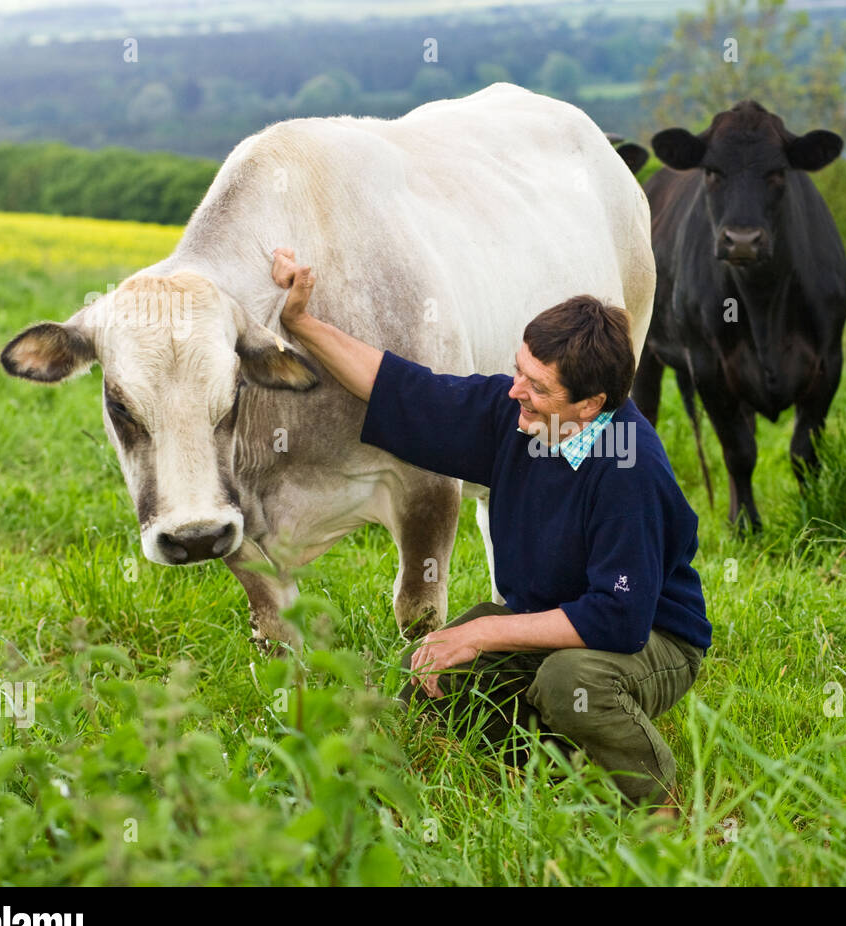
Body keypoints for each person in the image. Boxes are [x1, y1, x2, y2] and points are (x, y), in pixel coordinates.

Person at [269, 247, 712, 813]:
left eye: (537, 386)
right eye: (518, 370)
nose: (515, 392)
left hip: (652, 636)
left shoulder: (629, 471)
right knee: (434, 667)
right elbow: (400, 390)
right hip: (549, 618)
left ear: (591, 404)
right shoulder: (517, 416)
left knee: (567, 680)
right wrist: (300, 322)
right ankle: (553, 767)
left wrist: (483, 633)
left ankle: (666, 805)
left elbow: (617, 620)